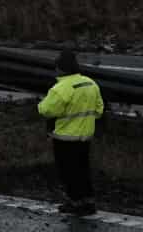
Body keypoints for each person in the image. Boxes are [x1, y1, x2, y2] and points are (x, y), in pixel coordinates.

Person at [37, 50, 104, 215]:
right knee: (82, 169)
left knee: (68, 171)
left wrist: (40, 104)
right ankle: (89, 202)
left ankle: (75, 203)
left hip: (65, 138)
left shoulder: (60, 88)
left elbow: (46, 110)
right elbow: (99, 110)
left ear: (60, 69)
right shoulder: (90, 83)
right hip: (85, 135)